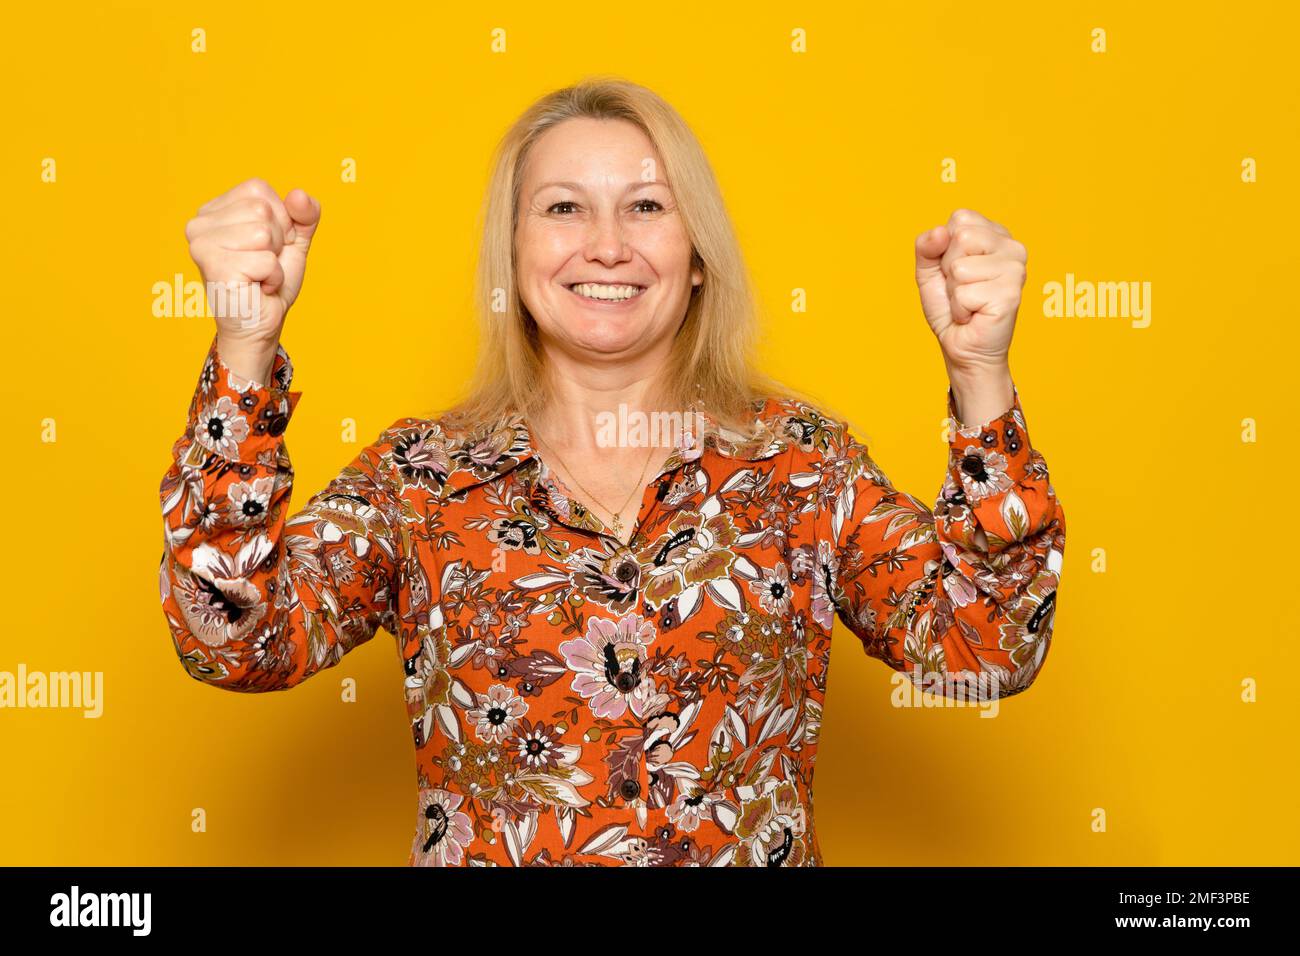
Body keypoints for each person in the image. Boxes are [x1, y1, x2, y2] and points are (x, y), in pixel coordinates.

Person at [158, 77, 1065, 867]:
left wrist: (978, 369)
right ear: (512, 256)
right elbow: (233, 640)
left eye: (645, 205)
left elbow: (985, 650)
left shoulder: (800, 465)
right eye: (562, 208)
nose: (606, 245)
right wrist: (246, 342)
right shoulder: (417, 480)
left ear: (698, 253)